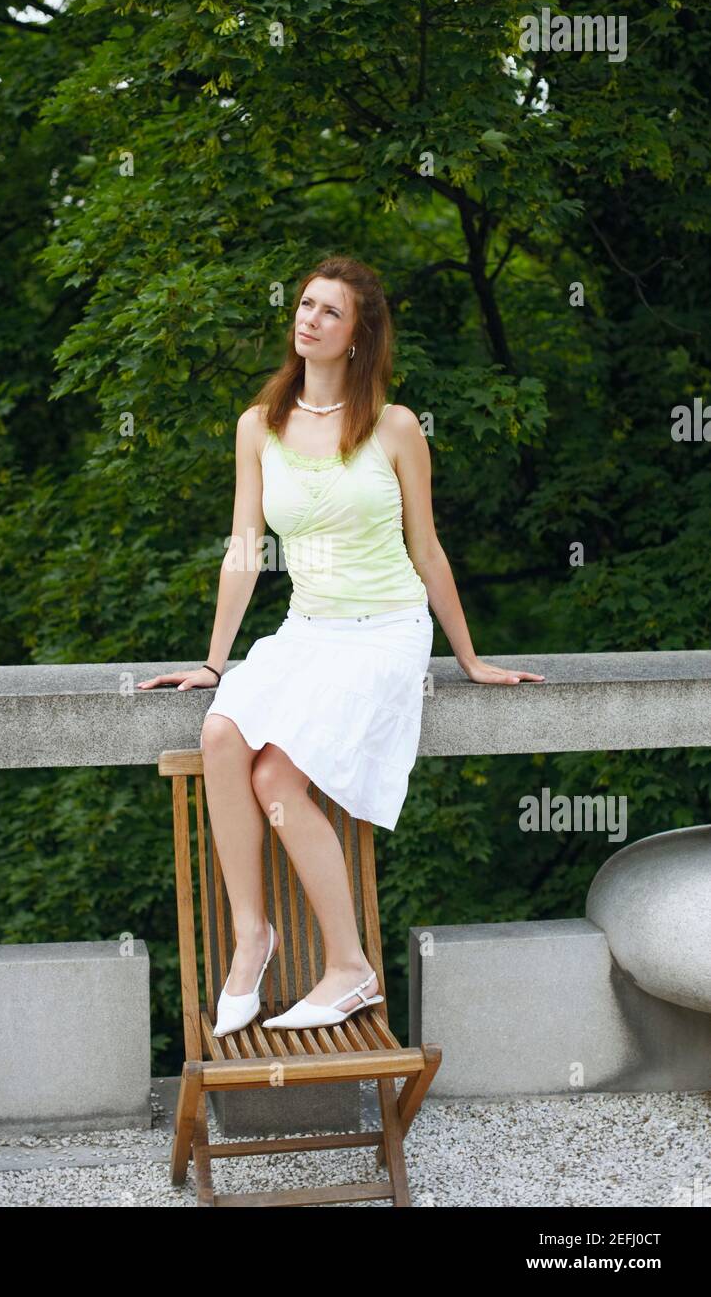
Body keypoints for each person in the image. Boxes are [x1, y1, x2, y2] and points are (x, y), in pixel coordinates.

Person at [137, 255, 544, 1036]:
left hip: (384, 632)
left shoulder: (394, 427)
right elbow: (245, 548)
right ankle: (252, 938)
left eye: (330, 312)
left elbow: (426, 548)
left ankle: (351, 969)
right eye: (304, 304)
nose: (309, 319)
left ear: (359, 336)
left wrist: (469, 659)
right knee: (221, 732)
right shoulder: (257, 426)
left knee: (278, 773)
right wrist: (214, 662)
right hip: (308, 631)